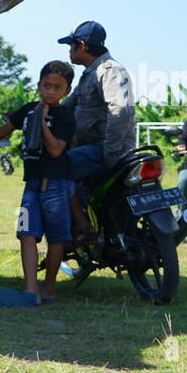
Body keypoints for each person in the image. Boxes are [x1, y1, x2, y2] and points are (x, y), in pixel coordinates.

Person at [0, 61, 77, 306]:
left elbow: (56, 150)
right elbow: (4, 129)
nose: (50, 91)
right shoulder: (29, 110)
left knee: (56, 238)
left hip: (56, 185)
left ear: (67, 91)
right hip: (31, 184)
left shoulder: (64, 116)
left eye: (57, 87)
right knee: (26, 233)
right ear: (39, 85)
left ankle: (49, 288)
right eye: (46, 85)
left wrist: (41, 123)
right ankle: (31, 289)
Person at [56, 21, 134, 240]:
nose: (69, 51)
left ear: (81, 45)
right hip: (97, 148)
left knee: (58, 167)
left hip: (106, 150)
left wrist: (110, 153)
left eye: (70, 45)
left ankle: (81, 227)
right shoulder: (92, 72)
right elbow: (68, 106)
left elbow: (120, 111)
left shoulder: (109, 70)